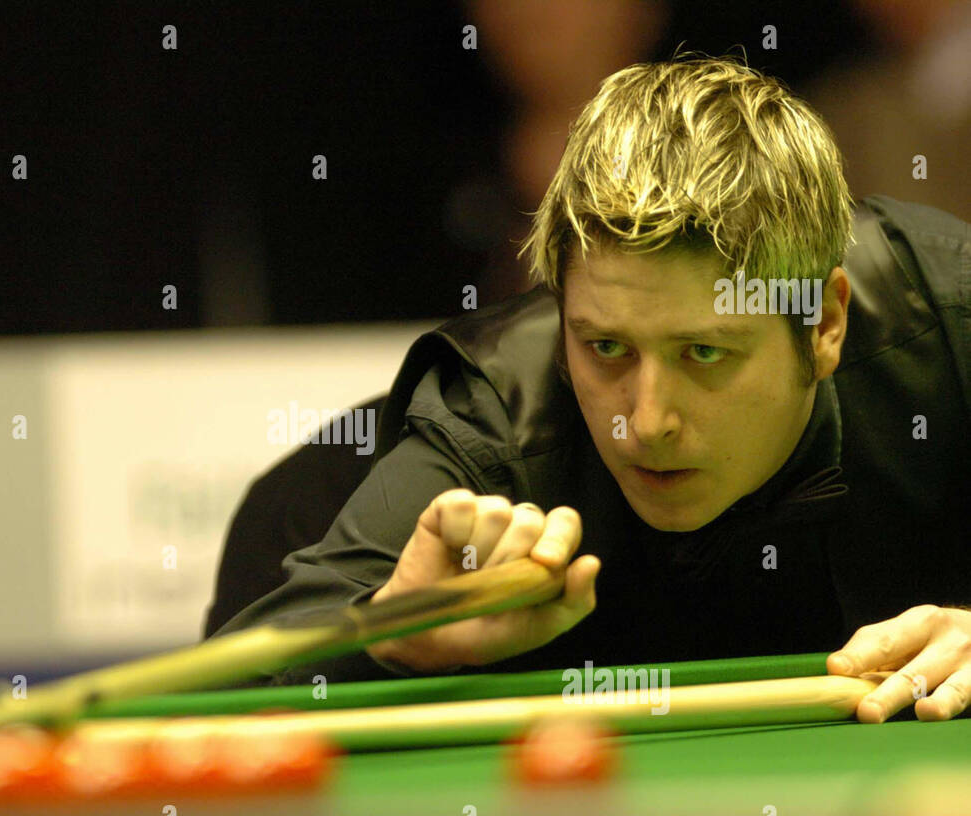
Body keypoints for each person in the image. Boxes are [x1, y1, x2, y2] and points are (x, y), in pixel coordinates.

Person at [211, 56, 971, 725]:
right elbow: (216, 705)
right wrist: (392, 636)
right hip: (305, 523)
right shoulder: (495, 425)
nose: (644, 421)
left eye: (704, 351)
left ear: (825, 321)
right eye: (605, 346)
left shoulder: (951, 320)